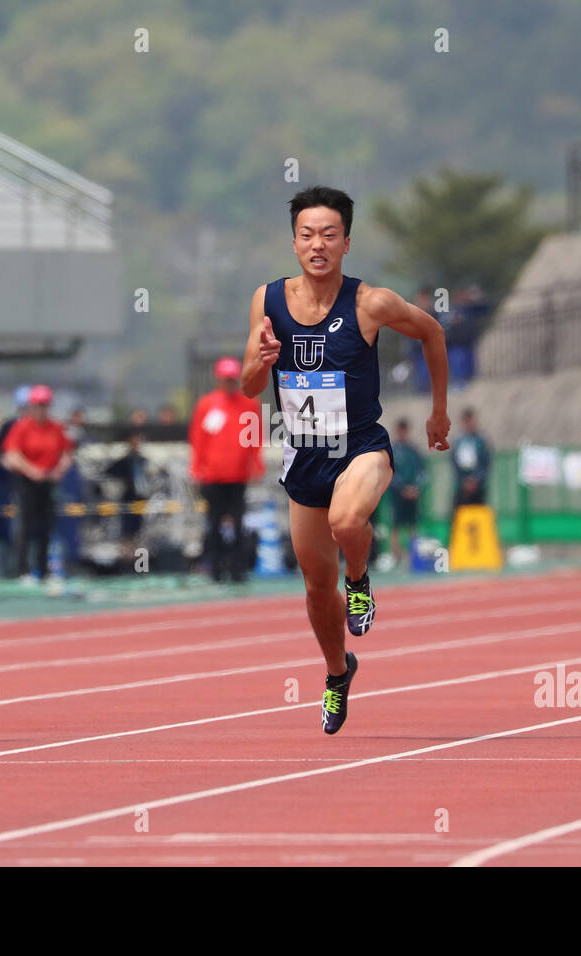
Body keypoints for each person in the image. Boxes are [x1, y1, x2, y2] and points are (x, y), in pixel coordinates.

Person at [241, 185, 450, 735]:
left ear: (346, 243)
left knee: (347, 521)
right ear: (293, 243)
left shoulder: (370, 303)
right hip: (305, 454)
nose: (318, 245)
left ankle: (360, 578)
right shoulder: (267, 301)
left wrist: (438, 412)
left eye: (329, 235)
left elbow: (432, 332)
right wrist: (261, 363)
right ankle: (338, 672)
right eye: (308, 235)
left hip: (362, 446)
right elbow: (246, 386)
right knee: (314, 584)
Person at [189, 356, 265, 582]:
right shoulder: (207, 404)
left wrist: (256, 463)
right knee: (213, 523)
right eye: (226, 379)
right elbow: (198, 438)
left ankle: (238, 568)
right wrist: (196, 468)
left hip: (238, 475)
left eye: (233, 379)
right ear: (218, 379)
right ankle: (215, 569)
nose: (229, 383)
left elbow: (254, 437)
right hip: (213, 476)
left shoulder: (250, 403)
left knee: (239, 523)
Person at [0, 384, 73, 583]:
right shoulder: (21, 427)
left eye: (45, 404)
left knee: (46, 525)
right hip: (26, 483)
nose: (42, 408)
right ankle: (21, 570)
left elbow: (66, 453)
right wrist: (32, 471)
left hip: (48, 482)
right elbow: (11, 455)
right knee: (24, 525)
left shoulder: (55, 428)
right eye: (38, 404)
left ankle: (44, 569)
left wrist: (58, 471)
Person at [387, 418, 426, 565]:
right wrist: (402, 488)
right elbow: (389, 471)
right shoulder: (392, 450)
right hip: (397, 495)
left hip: (412, 494)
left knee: (412, 524)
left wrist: (415, 487)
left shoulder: (413, 450)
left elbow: (422, 471)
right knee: (395, 524)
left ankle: (413, 555)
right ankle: (396, 555)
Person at [451, 408, 492, 509]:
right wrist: (464, 481)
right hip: (461, 488)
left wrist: (476, 480)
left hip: (478, 487)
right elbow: (454, 463)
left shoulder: (481, 441)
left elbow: (486, 463)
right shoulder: (458, 441)